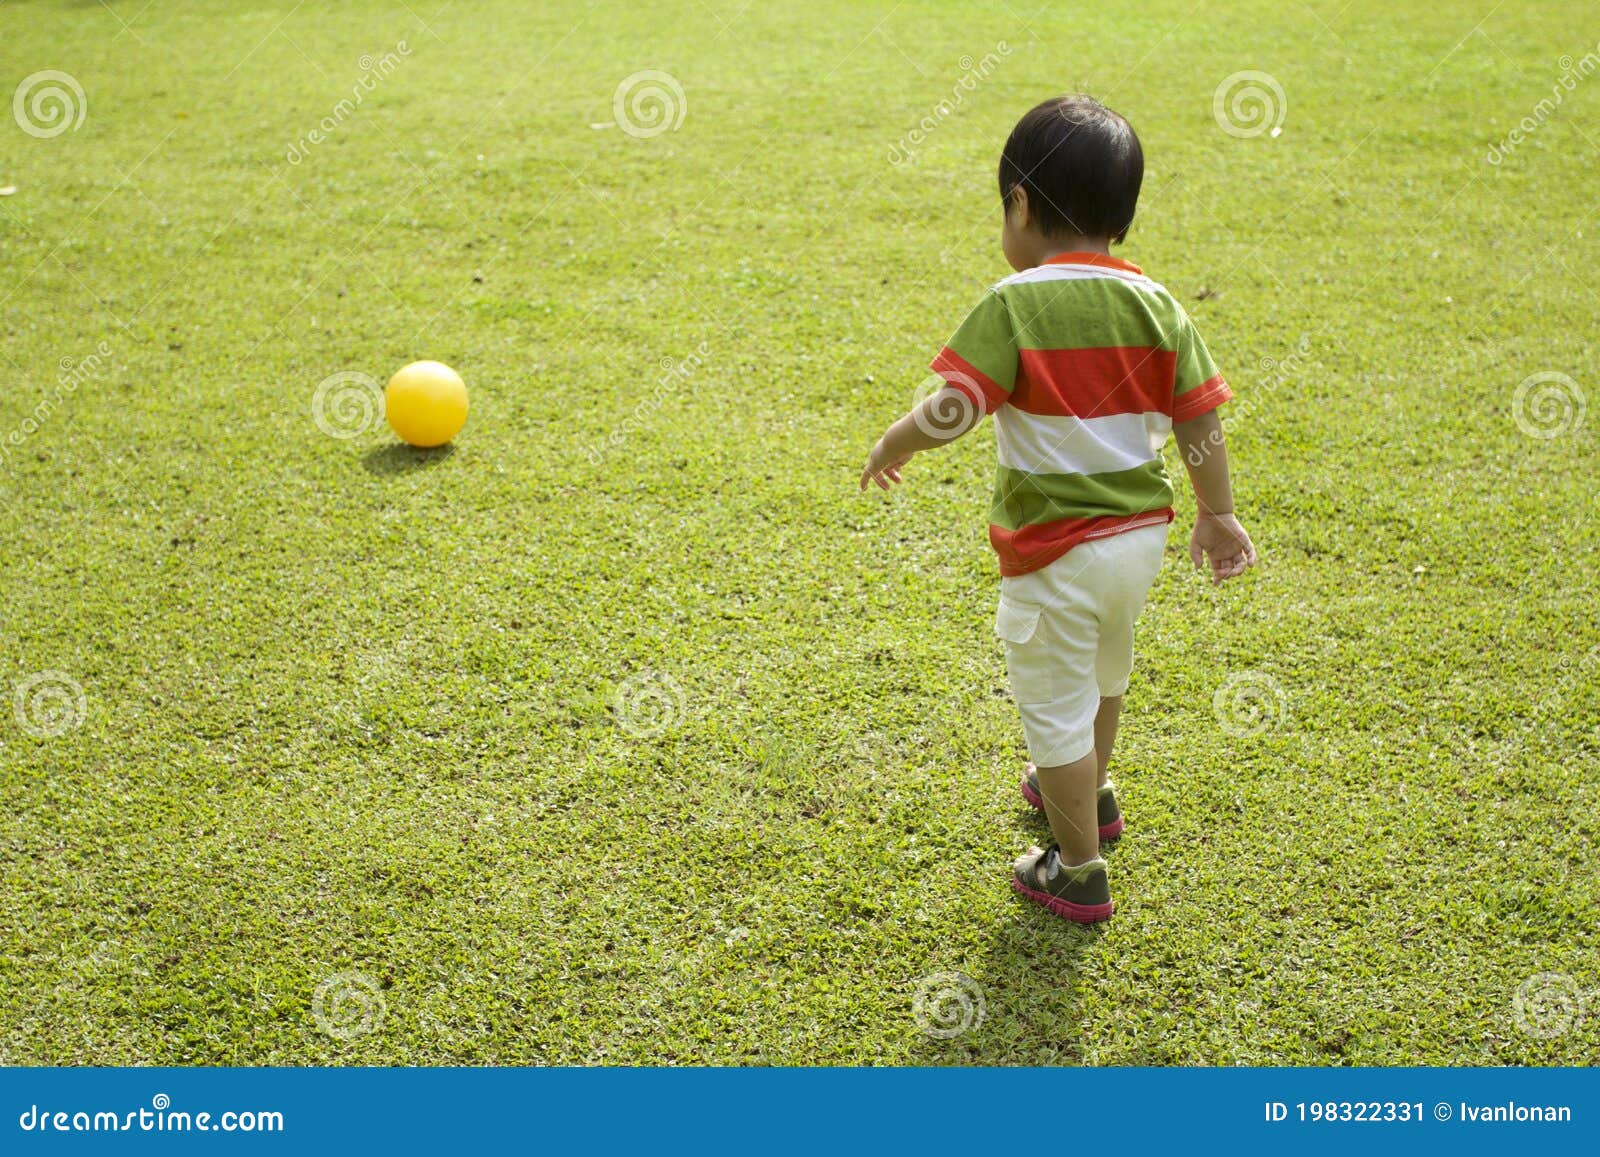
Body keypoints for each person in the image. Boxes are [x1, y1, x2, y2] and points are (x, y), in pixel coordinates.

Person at [859, 95, 1256, 922]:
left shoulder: (1015, 303)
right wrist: (1216, 513)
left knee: (1053, 701)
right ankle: (1089, 791)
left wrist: (896, 439)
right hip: (1138, 542)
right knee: (1104, 673)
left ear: (1020, 205)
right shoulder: (1159, 306)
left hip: (1054, 549)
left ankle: (1077, 866)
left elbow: (956, 407)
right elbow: (1199, 417)